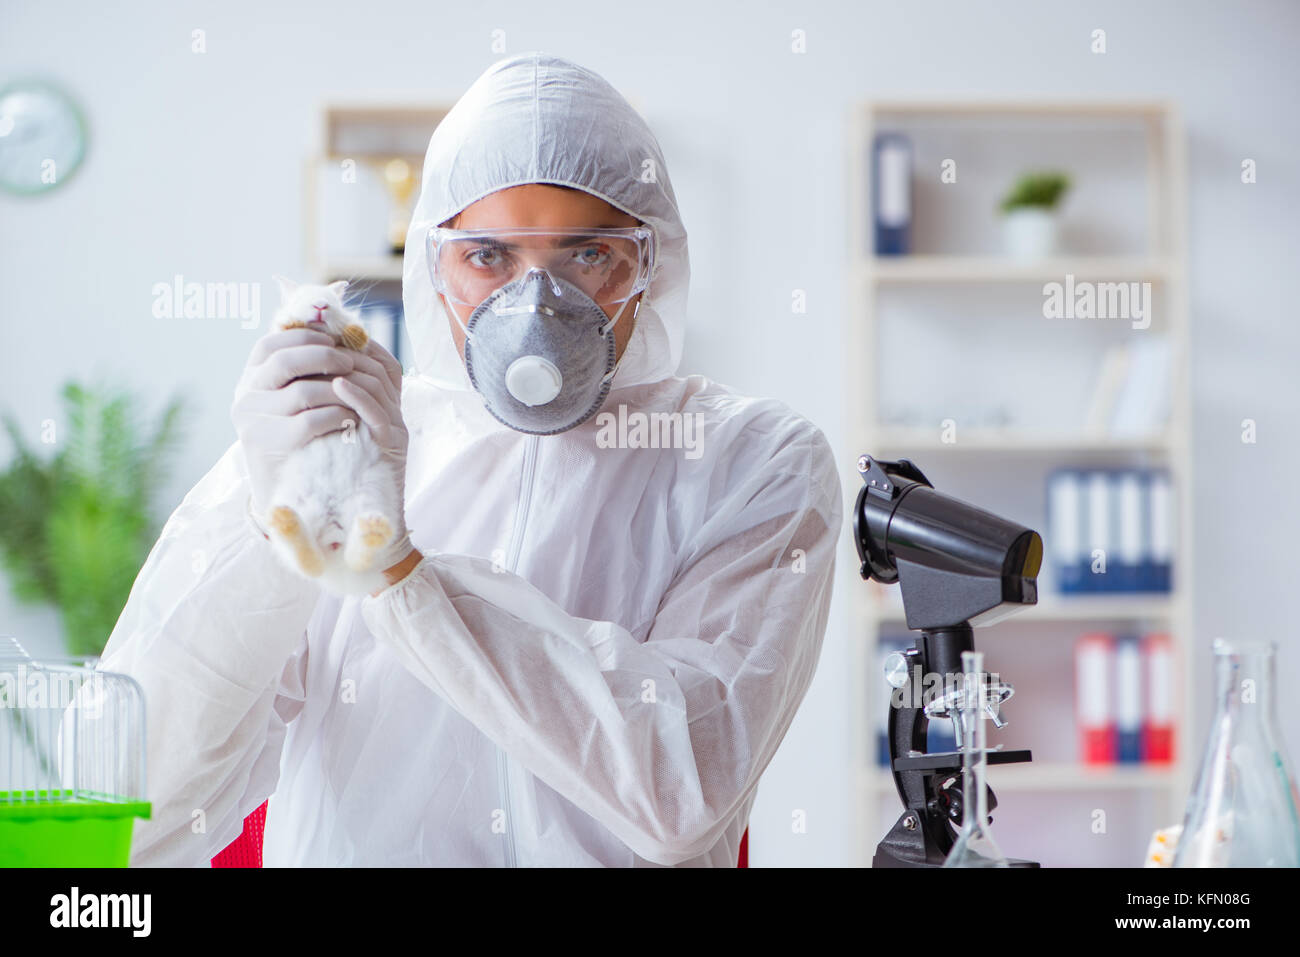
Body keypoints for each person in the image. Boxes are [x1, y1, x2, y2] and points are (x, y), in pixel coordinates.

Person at [98, 52, 842, 867]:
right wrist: (271, 528)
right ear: (434, 264)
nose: (534, 305)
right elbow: (133, 810)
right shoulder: (354, 437)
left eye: (588, 255)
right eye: (489, 256)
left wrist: (399, 575)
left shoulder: (751, 459)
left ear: (650, 262)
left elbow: (682, 793)